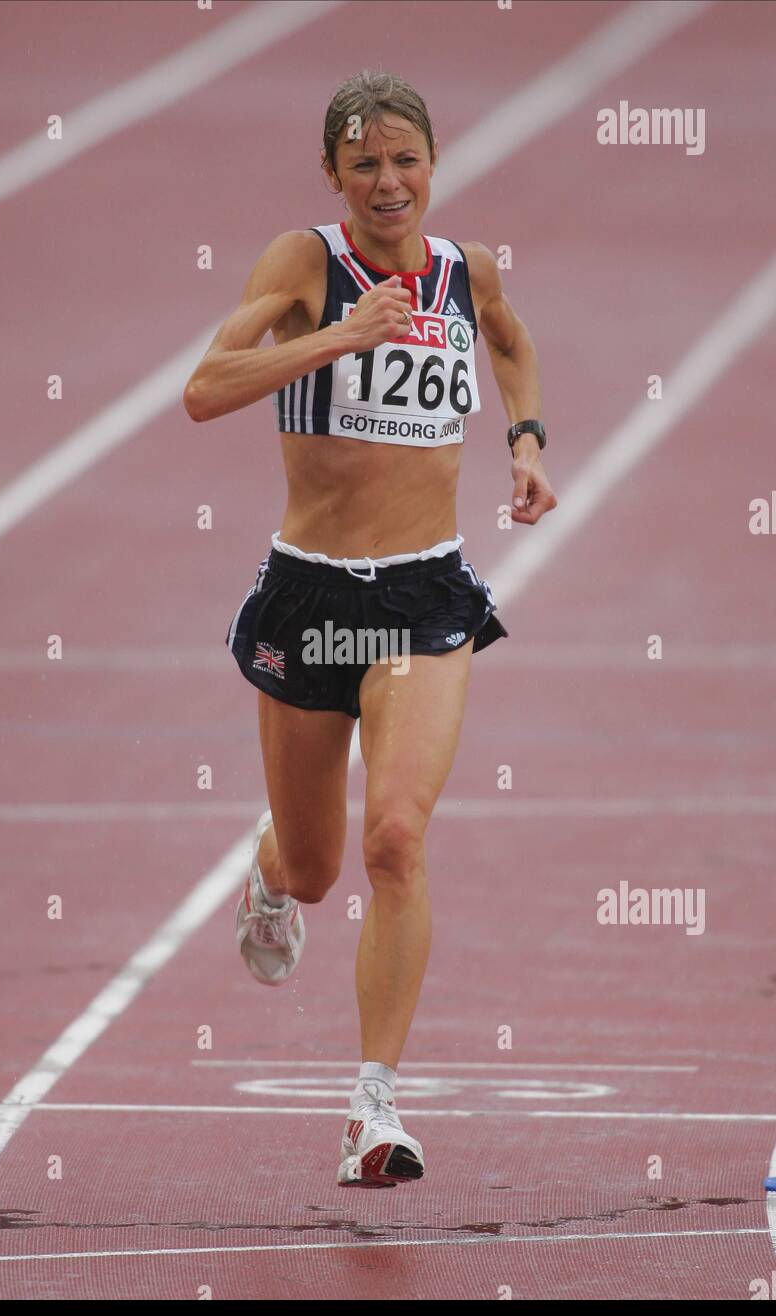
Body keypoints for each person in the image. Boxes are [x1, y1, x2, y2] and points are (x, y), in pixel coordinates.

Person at [183, 69, 556, 1189]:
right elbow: (204, 387)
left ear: (433, 167)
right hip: (311, 597)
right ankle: (267, 867)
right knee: (314, 867)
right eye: (364, 166)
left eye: (406, 163)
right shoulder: (304, 264)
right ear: (333, 177)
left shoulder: (466, 272)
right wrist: (337, 338)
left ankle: (373, 1106)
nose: (388, 184)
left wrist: (527, 443)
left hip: (423, 602)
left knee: (397, 836)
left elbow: (511, 342)